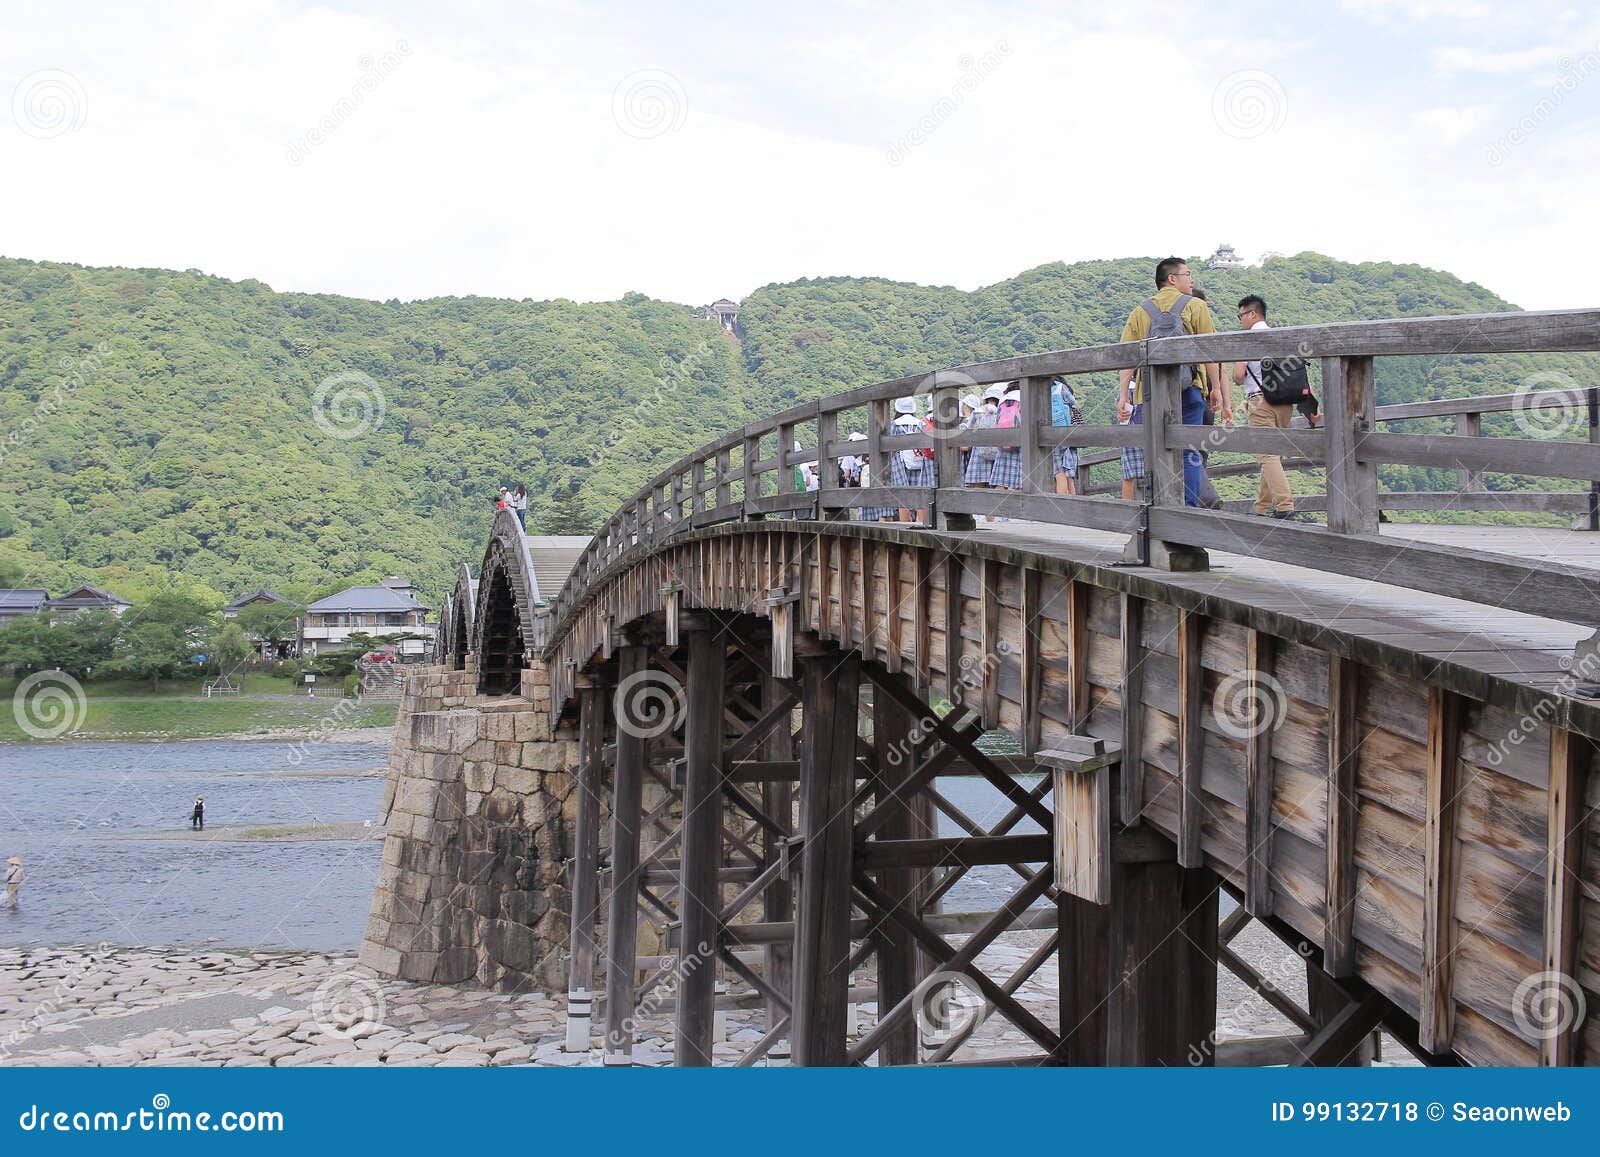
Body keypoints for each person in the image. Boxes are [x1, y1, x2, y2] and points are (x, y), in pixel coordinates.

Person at [1115, 258, 1224, 506]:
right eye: (1187, 274)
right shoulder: (1196, 306)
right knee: (1190, 451)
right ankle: (1188, 510)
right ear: (1172, 279)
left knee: (1156, 452)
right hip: (1189, 390)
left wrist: (1123, 396)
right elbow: (1209, 350)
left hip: (1150, 394)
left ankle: (1162, 509)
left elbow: (1125, 357)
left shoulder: (1140, 311)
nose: (1191, 280)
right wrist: (1216, 387)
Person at [1232, 294, 1296, 518]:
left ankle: (1285, 506)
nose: (1240, 320)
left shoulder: (1248, 339)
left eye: (1241, 315)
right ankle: (1262, 507)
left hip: (1260, 401)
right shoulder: (1280, 337)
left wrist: (1237, 371)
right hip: (1285, 402)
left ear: (1252, 314)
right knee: (1273, 455)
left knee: (1267, 455)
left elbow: (1238, 375)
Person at [887, 397, 931, 524]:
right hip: (919, 460)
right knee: (920, 492)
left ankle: (905, 523)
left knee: (903, 494)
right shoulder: (920, 423)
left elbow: (889, 447)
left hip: (900, 462)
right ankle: (921, 522)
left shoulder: (894, 424)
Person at [1050, 377, 1081, 496]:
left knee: (1057, 473)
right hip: (1064, 431)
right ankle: (1069, 501)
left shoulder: (1038, 389)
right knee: (1064, 474)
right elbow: (1073, 402)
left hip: (1048, 434)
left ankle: (1061, 500)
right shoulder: (1060, 387)